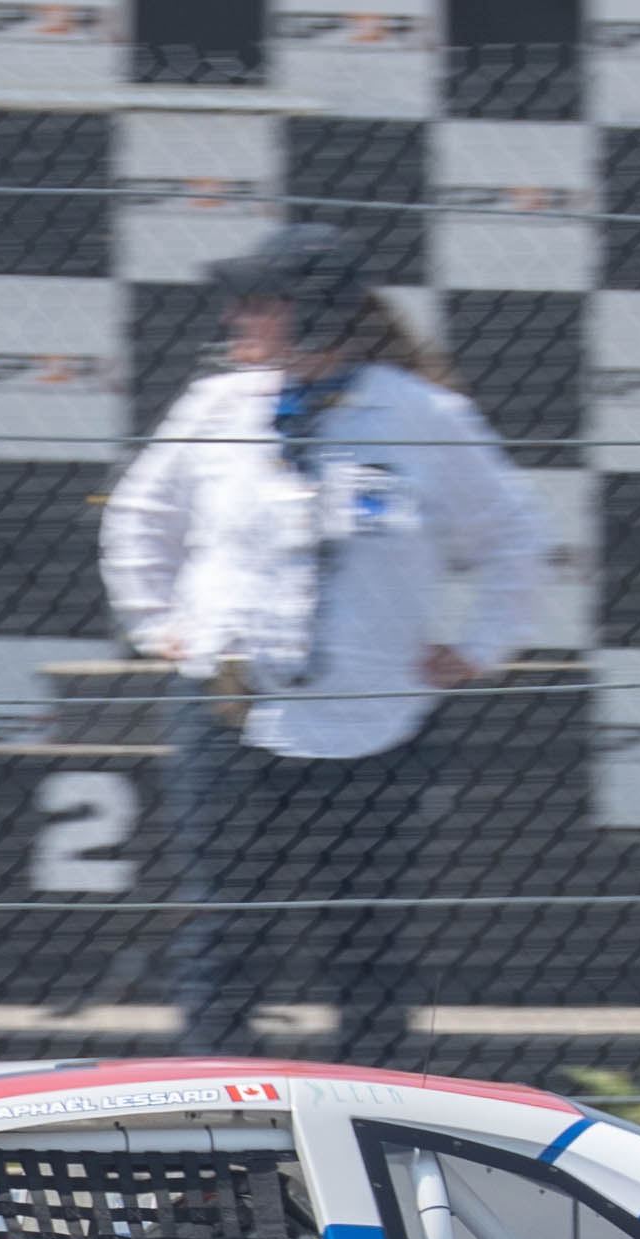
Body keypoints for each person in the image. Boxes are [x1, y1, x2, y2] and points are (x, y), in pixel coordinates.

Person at [101, 223, 548, 1056]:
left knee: (367, 933)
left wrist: (480, 643)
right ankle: (213, 1103)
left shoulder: (423, 415)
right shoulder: (215, 406)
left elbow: (512, 535)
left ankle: (376, 1108)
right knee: (226, 926)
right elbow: (141, 515)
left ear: (313, 314)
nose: (234, 319)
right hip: (233, 717)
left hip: (375, 727)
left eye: (256, 304)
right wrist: (158, 623)